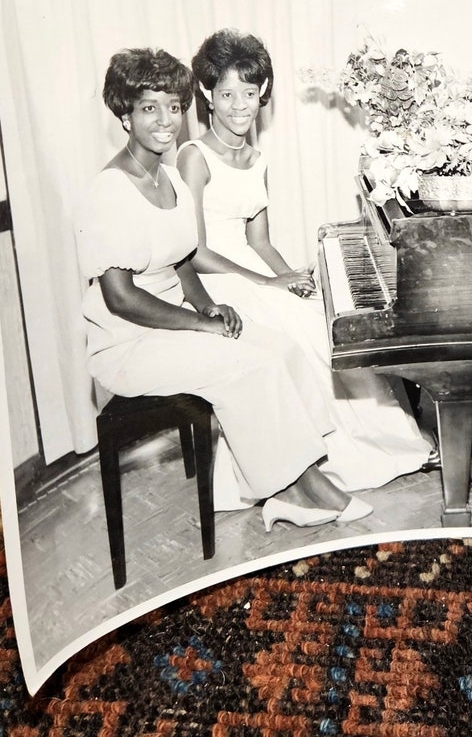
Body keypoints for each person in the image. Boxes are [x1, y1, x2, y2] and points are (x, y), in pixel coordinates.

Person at [75, 47, 370, 531]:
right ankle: (296, 488)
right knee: (251, 366)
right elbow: (120, 297)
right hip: (128, 344)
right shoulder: (108, 190)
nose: (166, 120)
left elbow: (182, 259)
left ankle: (299, 475)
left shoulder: (169, 177)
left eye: (174, 107)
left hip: (172, 324)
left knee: (282, 348)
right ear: (124, 115)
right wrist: (199, 323)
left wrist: (209, 306)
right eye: (149, 108)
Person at [177, 30, 431, 495]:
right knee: (307, 333)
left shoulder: (257, 159)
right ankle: (330, 459)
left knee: (328, 316)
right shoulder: (193, 157)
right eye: (227, 94)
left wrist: (290, 278)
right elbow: (195, 252)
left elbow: (259, 241)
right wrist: (268, 285)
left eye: (249, 93)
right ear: (208, 96)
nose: (239, 106)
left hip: (251, 273)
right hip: (214, 283)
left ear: (262, 93)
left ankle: (387, 441)